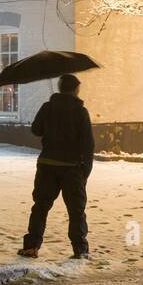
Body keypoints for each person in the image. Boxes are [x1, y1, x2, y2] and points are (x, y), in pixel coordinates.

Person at [18, 73, 94, 260]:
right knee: (76, 211)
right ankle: (80, 249)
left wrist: (49, 118)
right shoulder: (80, 112)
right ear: (75, 90)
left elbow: (36, 130)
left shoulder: (47, 107)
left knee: (40, 207)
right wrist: (86, 170)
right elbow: (88, 143)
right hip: (72, 168)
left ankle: (32, 247)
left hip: (47, 165)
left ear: (60, 88)